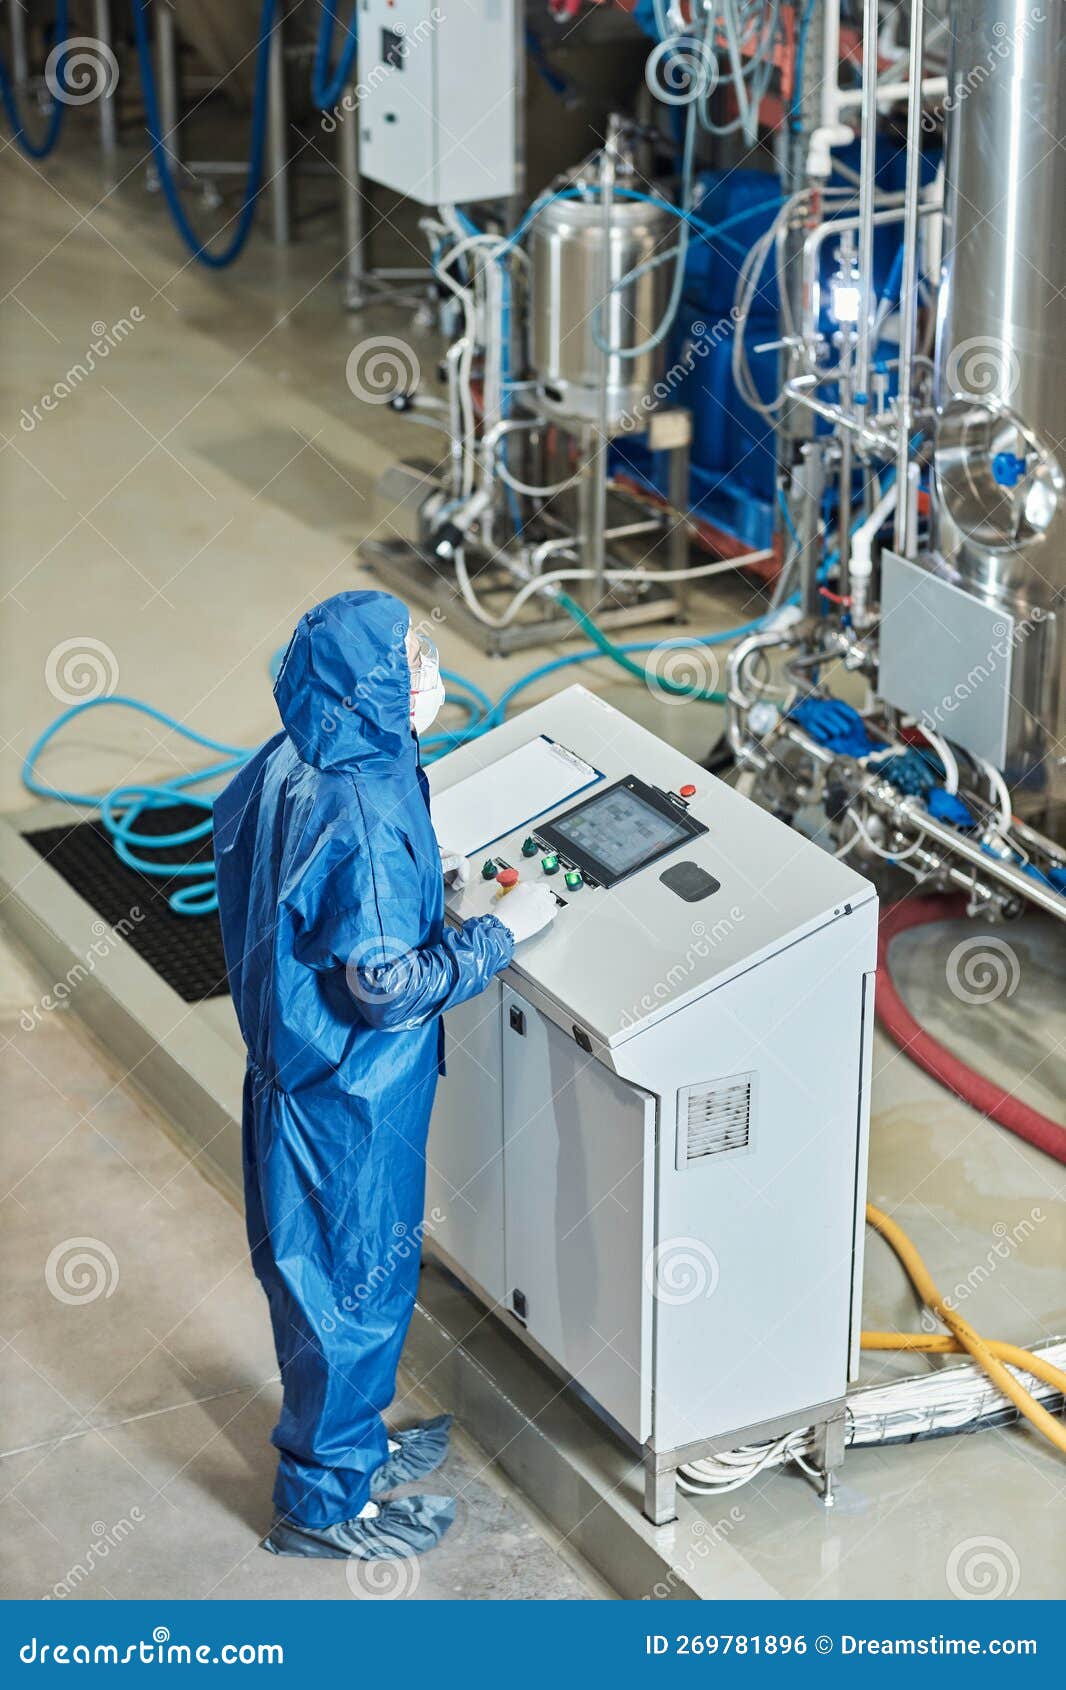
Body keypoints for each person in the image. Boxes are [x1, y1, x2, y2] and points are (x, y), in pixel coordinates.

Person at [213, 590, 556, 1559]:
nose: (430, 672)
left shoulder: (310, 749)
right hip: (345, 1097)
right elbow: (387, 989)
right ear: (368, 687)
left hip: (314, 1075)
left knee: (341, 1282)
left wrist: (418, 892)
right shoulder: (357, 804)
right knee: (349, 1294)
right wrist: (497, 932)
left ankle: (351, 1446)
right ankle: (325, 1506)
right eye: (412, 659)